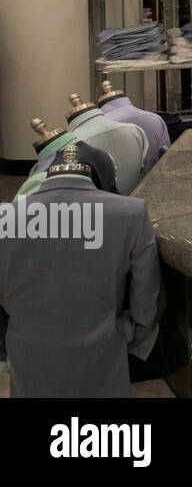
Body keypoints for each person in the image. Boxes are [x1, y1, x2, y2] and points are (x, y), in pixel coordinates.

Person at [0, 147, 161, 397]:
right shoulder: (131, 213)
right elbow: (146, 292)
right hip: (103, 350)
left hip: (28, 352)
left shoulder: (5, 219)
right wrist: (124, 333)